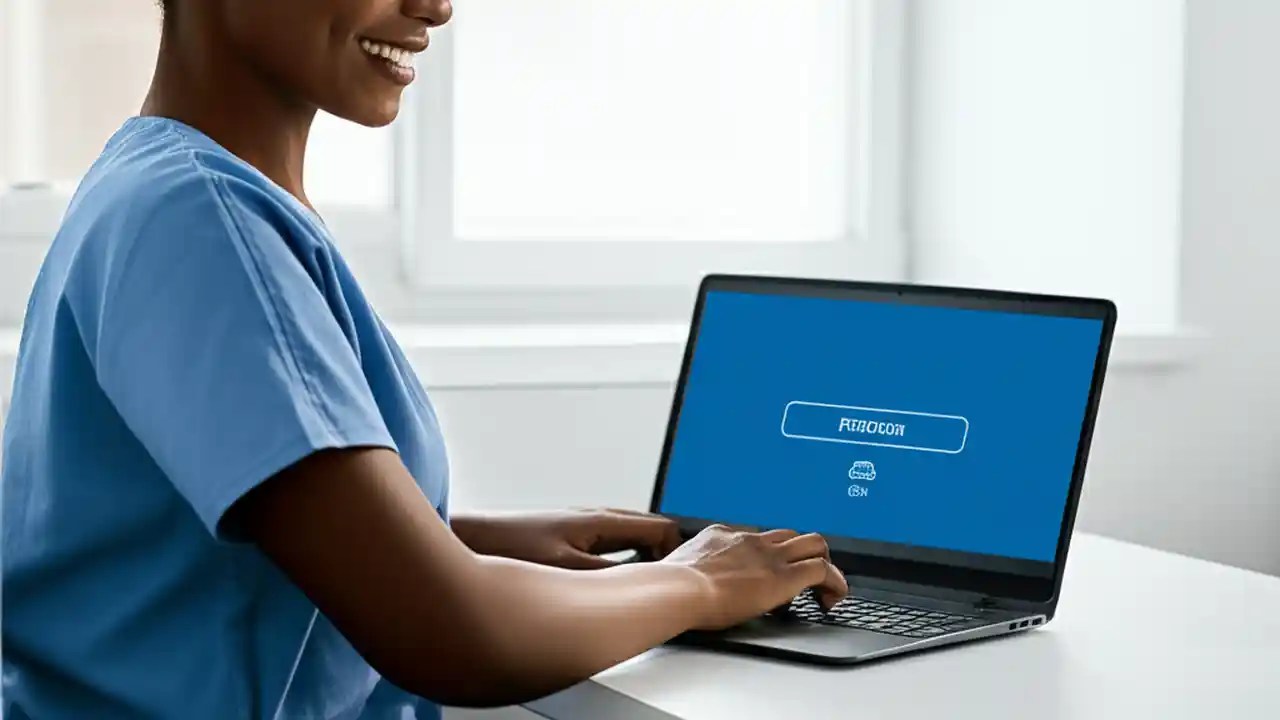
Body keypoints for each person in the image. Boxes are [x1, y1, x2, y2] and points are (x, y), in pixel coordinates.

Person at [0, 1, 847, 717]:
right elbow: (450, 634)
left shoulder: (161, 182)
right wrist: (701, 585)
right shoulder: (201, 217)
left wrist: (453, 539)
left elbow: (200, 538)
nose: (437, 5)